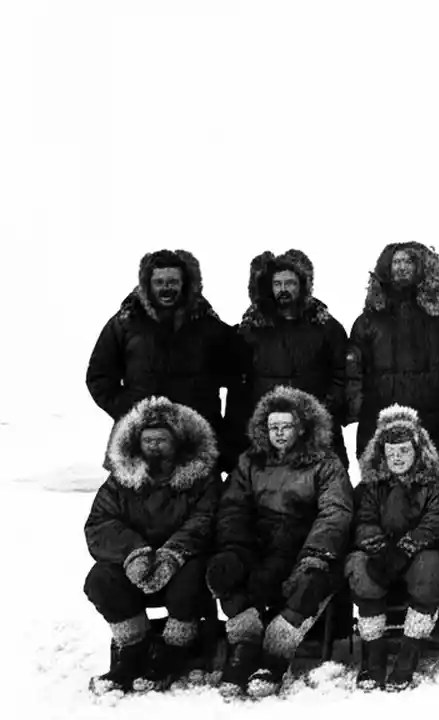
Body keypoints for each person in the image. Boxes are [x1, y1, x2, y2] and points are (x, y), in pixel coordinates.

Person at [205, 386, 353, 698]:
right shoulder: (250, 461)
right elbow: (233, 507)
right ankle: (245, 644)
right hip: (258, 545)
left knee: (311, 581)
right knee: (222, 570)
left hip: (304, 546)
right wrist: (236, 546)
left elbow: (334, 512)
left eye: (287, 426)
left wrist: (315, 554)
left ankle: (275, 654)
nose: (280, 433)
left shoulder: (325, 463)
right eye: (274, 427)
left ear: (302, 427)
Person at [85, 397, 221, 695]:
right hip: (136, 564)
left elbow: (205, 521)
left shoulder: (202, 478)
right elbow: (99, 524)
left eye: (161, 440)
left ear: (178, 441)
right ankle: (134, 648)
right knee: (101, 579)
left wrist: (172, 554)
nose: (154, 446)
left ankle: (176, 648)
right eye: (148, 440)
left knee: (196, 576)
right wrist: (134, 553)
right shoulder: (121, 480)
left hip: (183, 561)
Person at [86, 249, 240, 472]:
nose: (166, 288)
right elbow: (99, 376)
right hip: (139, 439)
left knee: (199, 494)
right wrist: (129, 411)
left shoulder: (207, 324)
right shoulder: (125, 323)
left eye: (172, 282)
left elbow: (234, 372)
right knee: (133, 493)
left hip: (195, 440)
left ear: (184, 283)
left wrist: (208, 413)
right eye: (159, 282)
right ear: (147, 284)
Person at [346, 405, 439, 691]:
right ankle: (373, 655)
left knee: (432, 568)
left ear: (418, 452)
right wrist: (380, 548)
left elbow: (436, 524)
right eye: (391, 452)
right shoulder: (368, 488)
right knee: (358, 566)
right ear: (381, 454)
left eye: (404, 451)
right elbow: (363, 521)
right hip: (380, 557)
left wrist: (406, 548)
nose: (397, 458)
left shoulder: (437, 488)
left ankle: (409, 653)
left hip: (419, 556)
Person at [347, 241, 439, 483]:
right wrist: (356, 412)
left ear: (422, 267)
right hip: (382, 423)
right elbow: (353, 375)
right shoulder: (368, 321)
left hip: (433, 423)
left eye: (409, 261)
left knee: (437, 492)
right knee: (383, 495)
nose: (402, 267)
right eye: (396, 262)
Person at [231, 249, 350, 466]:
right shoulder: (252, 329)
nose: (283, 289)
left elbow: (342, 374)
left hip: (315, 428)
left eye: (290, 283)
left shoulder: (326, 327)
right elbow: (240, 382)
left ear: (302, 285)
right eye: (277, 284)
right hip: (268, 429)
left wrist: (324, 410)